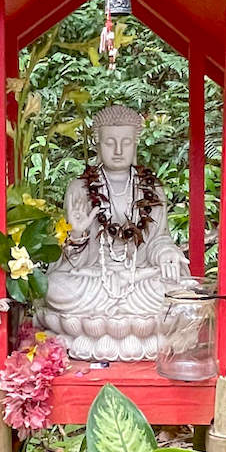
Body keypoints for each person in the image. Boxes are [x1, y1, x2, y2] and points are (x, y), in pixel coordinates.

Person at [37, 104, 189, 361]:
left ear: (136, 144)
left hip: (140, 278)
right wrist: (77, 234)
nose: (118, 150)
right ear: (97, 145)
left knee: (180, 287)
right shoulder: (80, 188)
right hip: (94, 277)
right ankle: (139, 330)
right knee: (54, 287)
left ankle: (101, 327)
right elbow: (70, 256)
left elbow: (159, 239)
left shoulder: (152, 188)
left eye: (126, 142)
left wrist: (166, 253)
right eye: (110, 142)